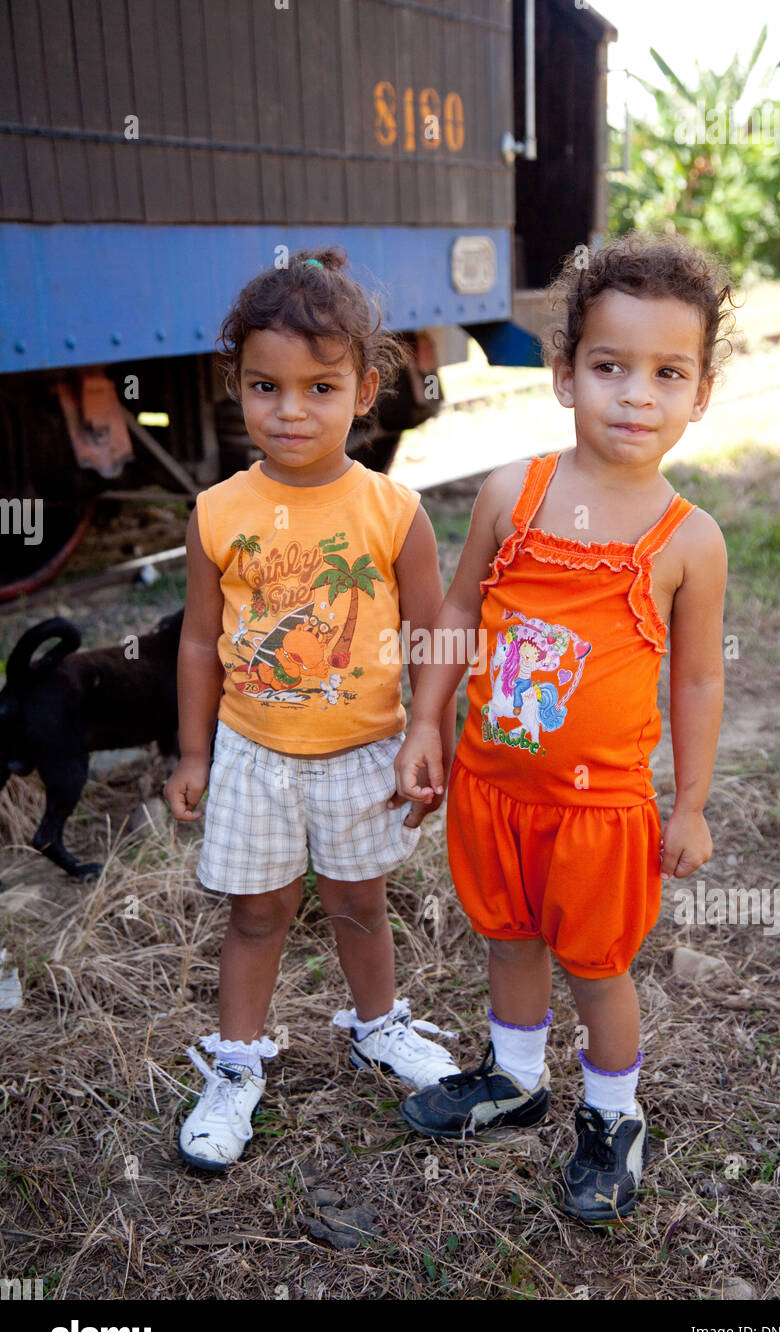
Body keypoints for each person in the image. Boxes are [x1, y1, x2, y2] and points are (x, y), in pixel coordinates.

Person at [392, 233, 732, 1223]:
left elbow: (699, 678)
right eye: (608, 366)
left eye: (666, 373)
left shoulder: (687, 541)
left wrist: (693, 801)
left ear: (698, 394)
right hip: (492, 789)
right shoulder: (514, 493)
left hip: (600, 814)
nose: (635, 394)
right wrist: (426, 718)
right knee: (504, 937)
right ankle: (511, 1075)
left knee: (595, 967)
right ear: (562, 375)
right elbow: (455, 616)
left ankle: (610, 1115)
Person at [164, 248, 458, 1173]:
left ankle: (379, 1025)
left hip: (361, 752)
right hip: (254, 751)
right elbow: (200, 642)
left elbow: (433, 634)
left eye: (319, 387)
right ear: (237, 387)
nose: (291, 411)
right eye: (266, 386)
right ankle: (237, 1067)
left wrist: (426, 734)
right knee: (258, 915)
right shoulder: (216, 511)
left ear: (365, 390)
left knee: (361, 906)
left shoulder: (393, 510)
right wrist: (192, 753)